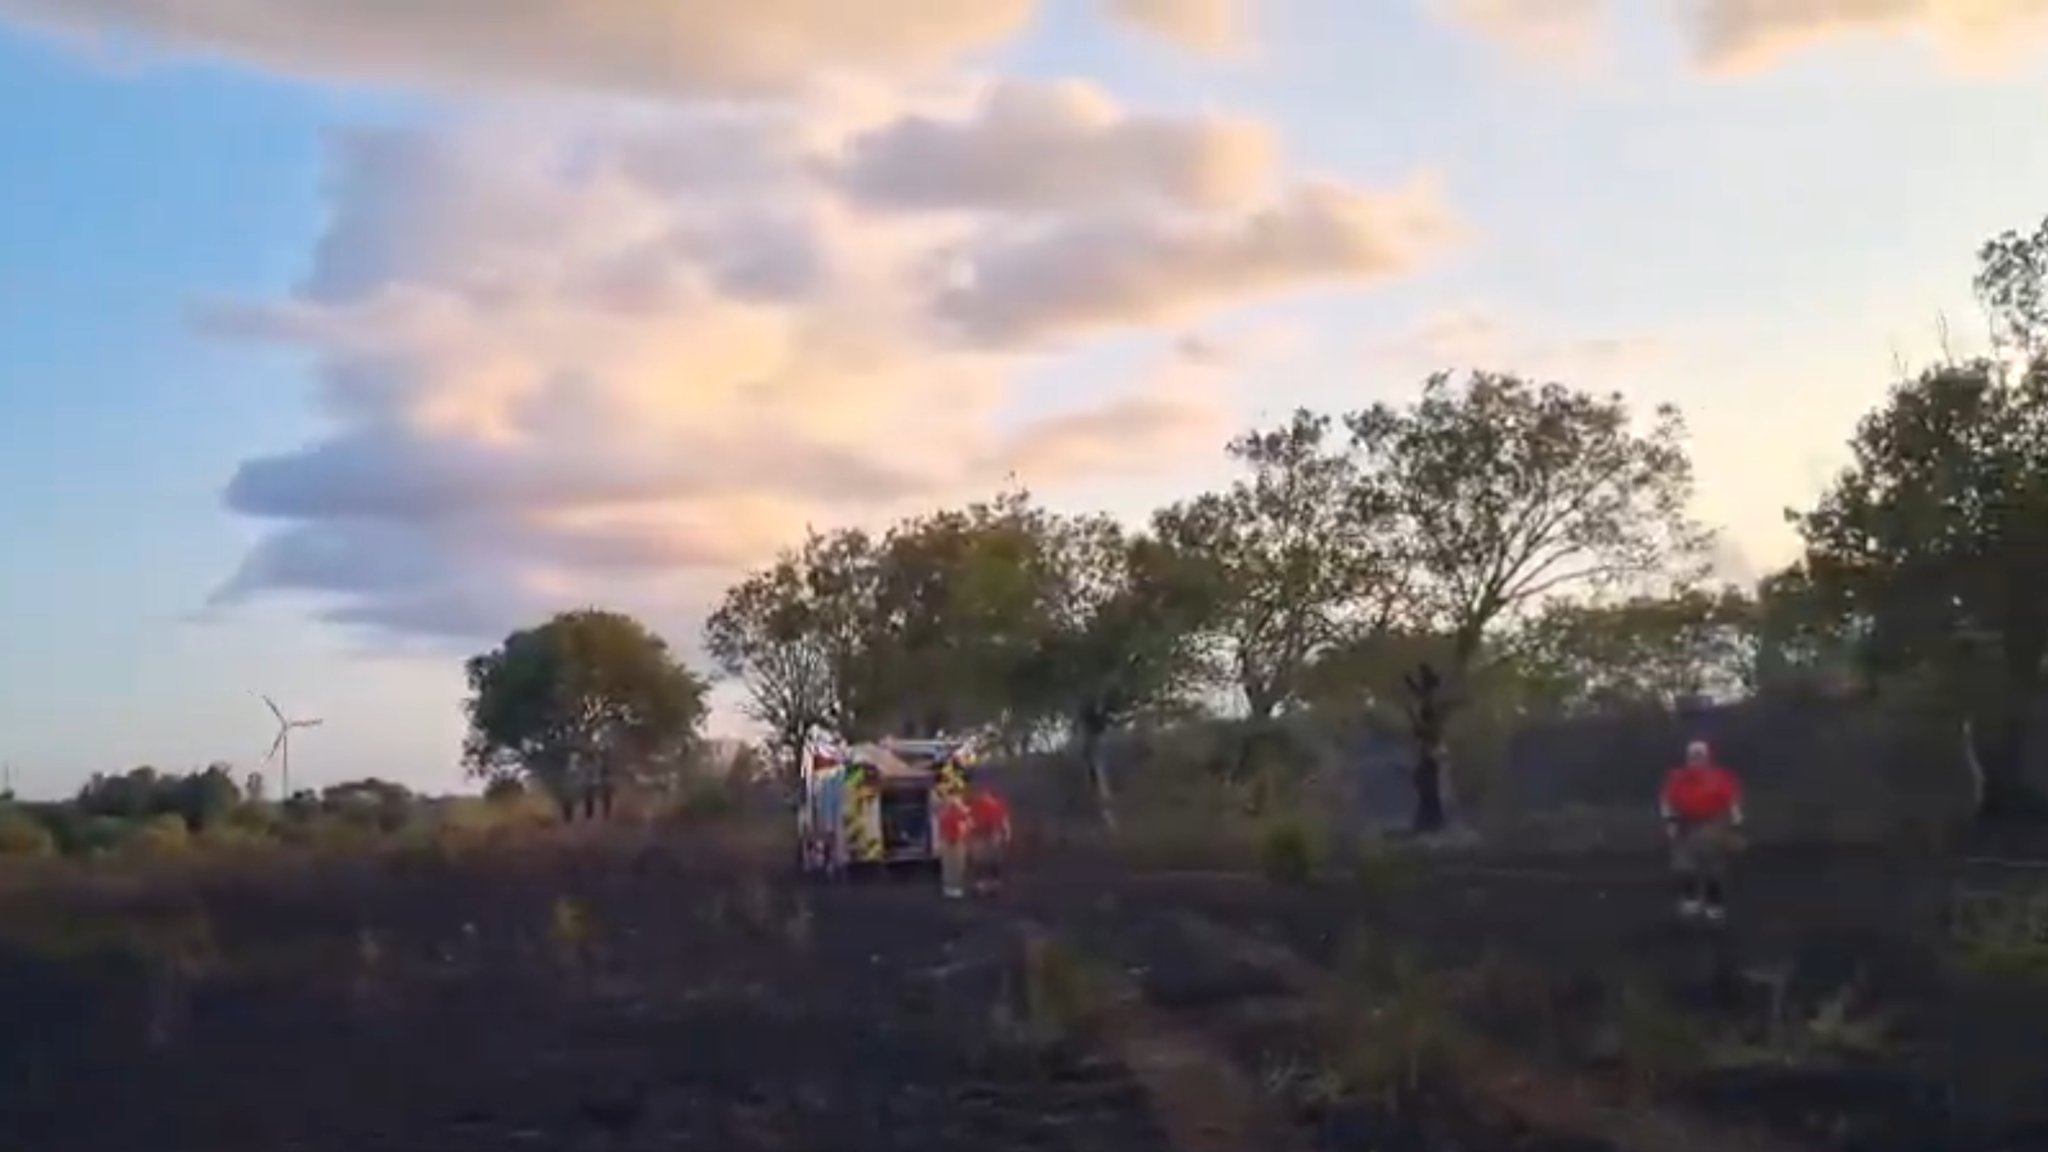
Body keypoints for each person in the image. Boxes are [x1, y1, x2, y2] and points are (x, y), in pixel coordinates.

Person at [1659, 738, 1744, 924]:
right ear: (1687, 757)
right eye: (1693, 756)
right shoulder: (1677, 777)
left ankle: (1714, 904)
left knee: (1714, 866)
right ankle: (1691, 899)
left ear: (1707, 757)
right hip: (1686, 824)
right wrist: (1670, 821)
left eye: (1700, 756)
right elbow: (1667, 800)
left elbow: (1733, 801)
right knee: (1684, 866)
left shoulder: (1720, 777)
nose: (1697, 759)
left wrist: (1736, 824)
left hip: (1713, 823)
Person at [967, 786, 1013, 896]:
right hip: (980, 833)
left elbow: (1004, 819)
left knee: (994, 859)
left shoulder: (999, 804)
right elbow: (970, 818)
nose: (984, 796)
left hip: (993, 833)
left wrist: (1007, 832)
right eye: (983, 795)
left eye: (986, 794)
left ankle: (994, 883)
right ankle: (980, 884)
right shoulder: (977, 805)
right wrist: (970, 829)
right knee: (980, 859)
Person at [936, 787, 974, 899]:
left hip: (954, 841)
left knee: (954, 865)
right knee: (953, 865)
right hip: (952, 841)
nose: (954, 800)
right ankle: (952, 887)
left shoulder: (951, 813)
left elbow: (968, 823)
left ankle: (952, 887)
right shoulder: (949, 813)